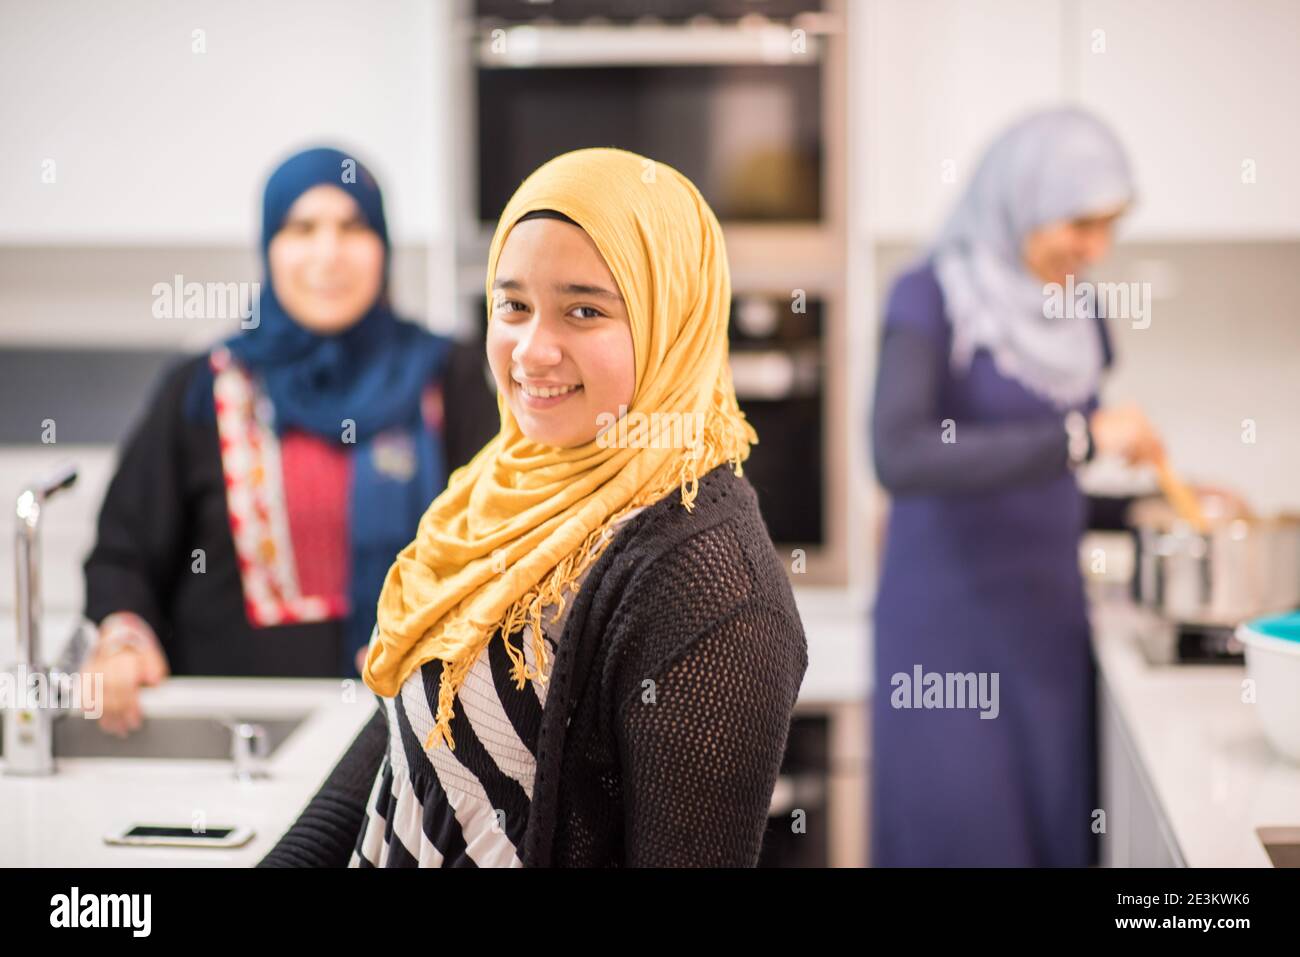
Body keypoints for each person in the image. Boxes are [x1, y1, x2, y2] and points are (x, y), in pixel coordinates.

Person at [258, 147, 809, 868]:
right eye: (513, 305)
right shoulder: (500, 489)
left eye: (585, 310)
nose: (532, 350)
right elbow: (405, 744)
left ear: (670, 318)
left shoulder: (710, 586)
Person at [80, 147, 497, 737]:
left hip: (417, 734)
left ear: (382, 245)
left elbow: (500, 541)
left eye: (352, 227)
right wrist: (123, 637)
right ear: (269, 246)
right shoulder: (205, 387)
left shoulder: (445, 376)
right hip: (237, 740)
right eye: (302, 228)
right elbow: (123, 556)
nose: (328, 253)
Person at [869, 107, 1164, 866]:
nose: (1093, 249)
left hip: (1048, 637)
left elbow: (1048, 484)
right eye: (1078, 223)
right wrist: (1080, 438)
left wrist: (1137, 507)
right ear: (1021, 200)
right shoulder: (930, 295)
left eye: (1108, 227)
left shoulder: (1083, 313)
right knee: (966, 840)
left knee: (1050, 841)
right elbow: (899, 454)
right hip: (947, 636)